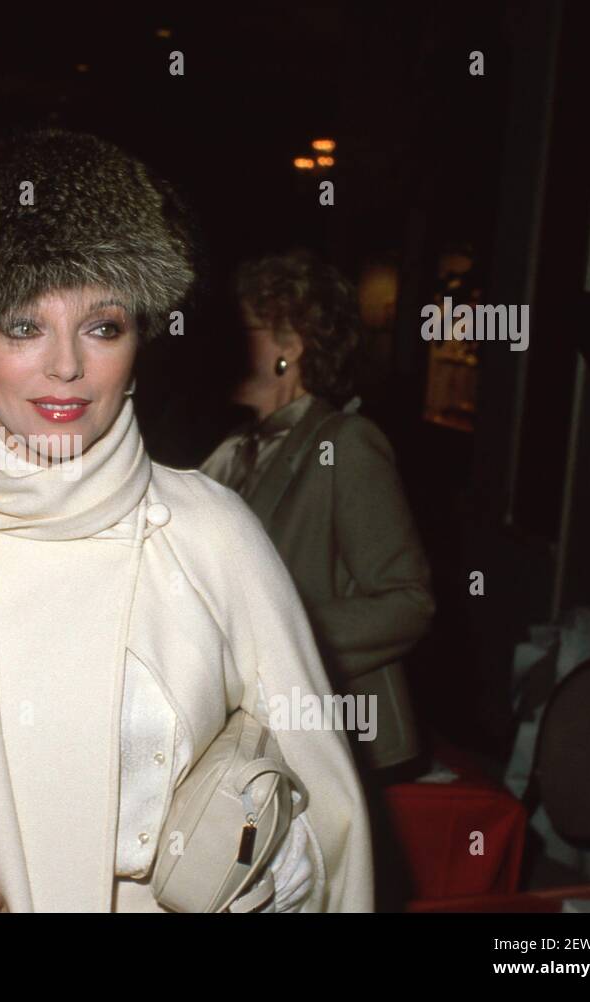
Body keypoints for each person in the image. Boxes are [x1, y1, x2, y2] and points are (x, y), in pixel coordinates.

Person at [0, 130, 373, 913]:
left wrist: (252, 873)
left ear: (138, 341)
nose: (67, 365)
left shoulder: (212, 533)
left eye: (102, 326)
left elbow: (328, 824)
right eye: (23, 326)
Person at [200, 252, 435, 776]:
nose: (226, 345)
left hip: (335, 744)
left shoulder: (345, 445)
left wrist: (280, 640)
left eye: (246, 329)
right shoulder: (235, 449)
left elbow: (408, 601)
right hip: (257, 740)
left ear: (291, 344)